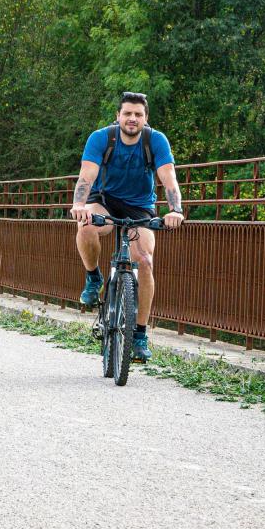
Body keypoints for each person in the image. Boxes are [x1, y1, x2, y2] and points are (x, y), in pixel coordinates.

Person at [69, 92, 184, 363]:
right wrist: (78, 204)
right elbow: (87, 175)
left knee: (144, 260)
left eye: (138, 115)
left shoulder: (155, 140)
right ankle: (93, 277)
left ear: (145, 119)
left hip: (140, 206)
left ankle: (140, 335)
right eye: (127, 114)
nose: (132, 119)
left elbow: (168, 177)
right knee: (85, 223)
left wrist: (175, 210)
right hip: (104, 201)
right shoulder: (101, 138)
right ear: (118, 116)